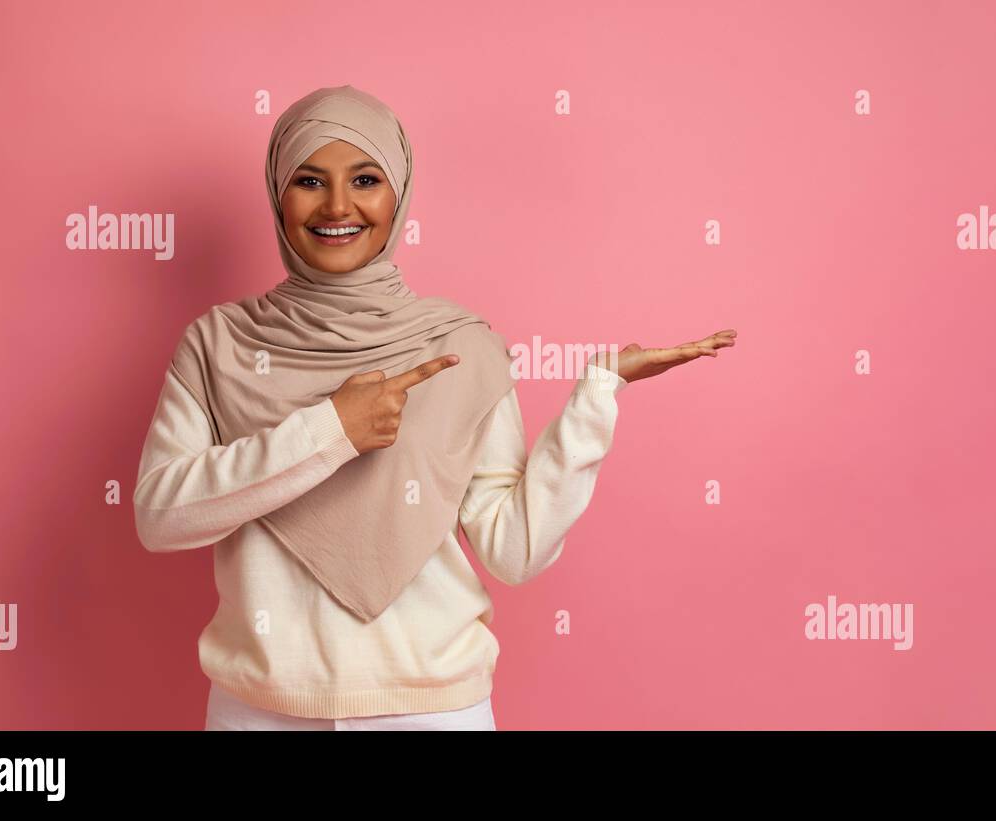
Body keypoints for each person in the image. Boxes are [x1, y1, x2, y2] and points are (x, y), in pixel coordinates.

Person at [132, 85, 736, 730]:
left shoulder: (462, 349)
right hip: (259, 714)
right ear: (278, 196)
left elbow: (515, 549)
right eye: (310, 180)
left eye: (365, 179)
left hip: (433, 712)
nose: (338, 205)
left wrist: (595, 398)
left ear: (400, 192)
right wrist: (330, 430)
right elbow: (160, 517)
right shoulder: (220, 343)